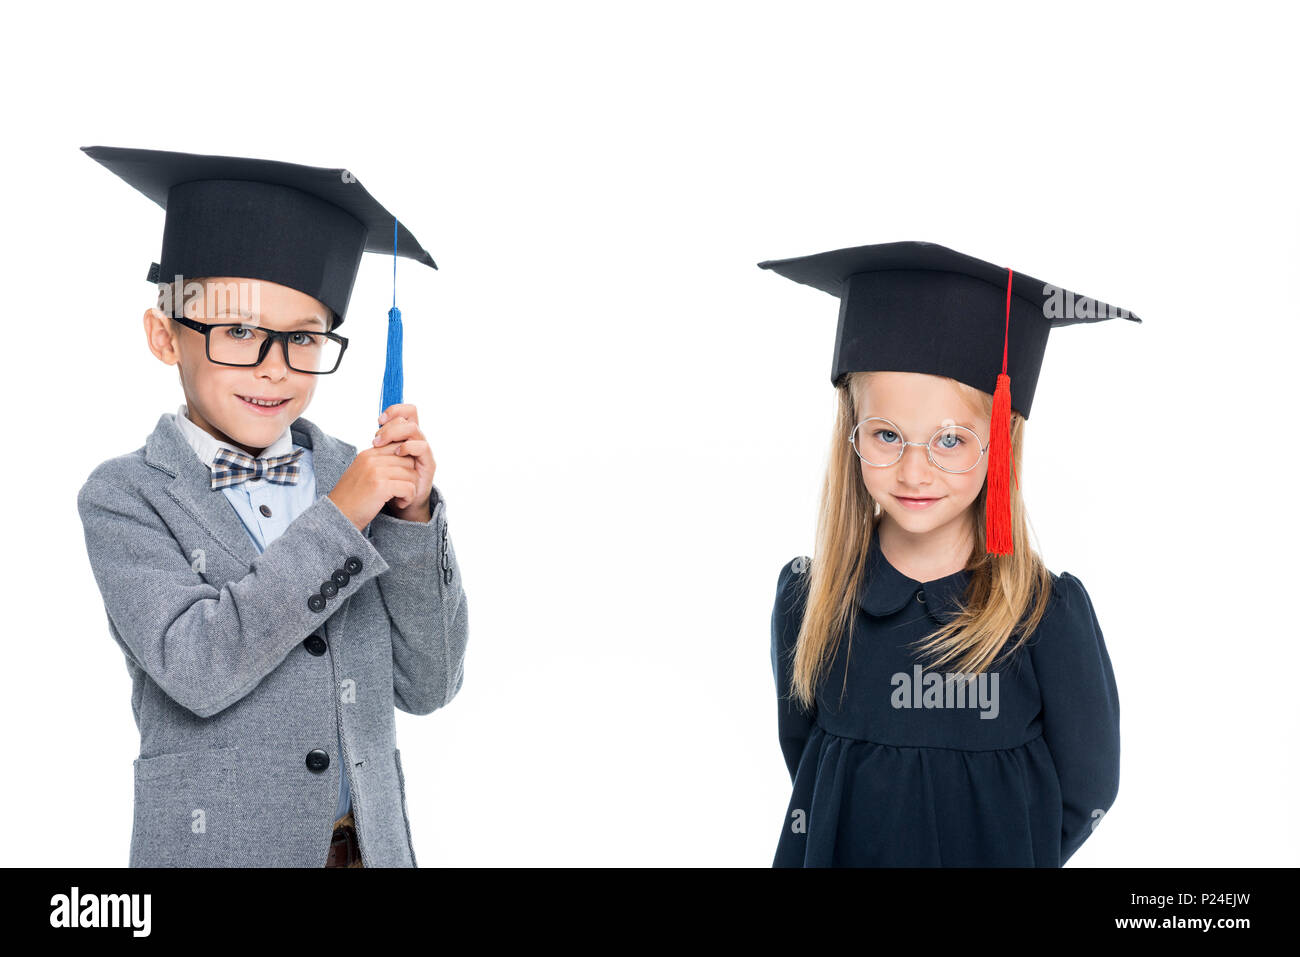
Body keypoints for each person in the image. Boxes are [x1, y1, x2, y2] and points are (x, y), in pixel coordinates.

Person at [75, 146, 469, 867]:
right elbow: (197, 667)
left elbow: (430, 683)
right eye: (237, 332)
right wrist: (340, 520)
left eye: (304, 337)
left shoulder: (354, 475)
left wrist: (410, 525)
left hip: (369, 851)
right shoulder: (127, 496)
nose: (275, 367)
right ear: (166, 337)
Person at [758, 241, 1137, 866]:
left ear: (1000, 443)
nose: (915, 470)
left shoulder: (1042, 615)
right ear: (850, 431)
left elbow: (1090, 787)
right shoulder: (811, 598)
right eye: (885, 435)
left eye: (951, 440)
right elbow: (809, 763)